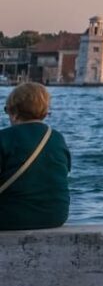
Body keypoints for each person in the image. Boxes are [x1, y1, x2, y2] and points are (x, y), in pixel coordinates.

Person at [0, 82, 71, 231]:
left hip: (10, 217)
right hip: (55, 216)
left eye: (7, 110)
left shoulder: (4, 138)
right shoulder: (57, 138)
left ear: (15, 112)